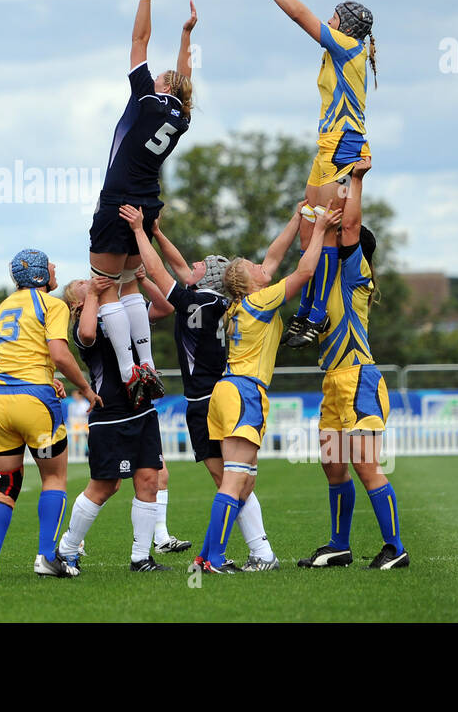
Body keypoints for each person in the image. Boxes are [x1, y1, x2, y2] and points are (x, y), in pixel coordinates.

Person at [134, 202, 340, 573]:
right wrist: (320, 227)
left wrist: (296, 219)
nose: (261, 267)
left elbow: (270, 260)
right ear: (246, 282)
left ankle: (254, 554)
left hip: (223, 393)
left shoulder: (233, 303)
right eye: (254, 268)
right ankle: (212, 559)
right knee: (232, 482)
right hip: (238, 391)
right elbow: (304, 270)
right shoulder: (255, 300)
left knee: (240, 481)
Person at [241, 0, 375, 349]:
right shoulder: (342, 50)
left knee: (329, 230)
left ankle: (316, 316)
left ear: (346, 25)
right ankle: (309, 306)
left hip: (346, 145)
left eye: (333, 16)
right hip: (326, 146)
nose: (328, 20)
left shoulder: (348, 45)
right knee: (308, 225)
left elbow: (301, 16)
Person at [88, 0, 196, 403]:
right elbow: (185, 78)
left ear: (161, 86)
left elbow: (139, 38)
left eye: (160, 76)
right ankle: (148, 364)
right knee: (131, 284)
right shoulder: (182, 116)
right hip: (148, 205)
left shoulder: (147, 100)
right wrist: (187, 35)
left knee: (105, 286)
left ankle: (131, 370)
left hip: (120, 201)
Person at [295, 159, 408, 570]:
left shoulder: (354, 273)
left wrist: (354, 181)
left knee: (364, 464)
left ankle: (396, 548)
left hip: (359, 379)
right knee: (333, 465)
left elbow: (350, 228)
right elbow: (315, 238)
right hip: (334, 383)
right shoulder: (324, 274)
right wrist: (309, 212)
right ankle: (339, 545)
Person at [0, 249, 99, 581]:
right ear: (39, 274)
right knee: (53, 478)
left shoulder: (1, 309)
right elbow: (59, 353)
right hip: (35, 402)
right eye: (49, 264)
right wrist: (85, 389)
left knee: (5, 484)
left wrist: (43, 376)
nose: (54, 267)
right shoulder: (53, 305)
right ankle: (46, 557)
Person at [56, 275, 168, 572]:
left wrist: (140, 279)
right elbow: (90, 335)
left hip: (141, 407)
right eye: (82, 283)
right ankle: (67, 548)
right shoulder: (82, 326)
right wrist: (93, 292)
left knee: (149, 481)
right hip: (110, 414)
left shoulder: (122, 309)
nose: (88, 279)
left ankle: (141, 557)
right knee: (106, 486)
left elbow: (163, 307)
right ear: (76, 303)